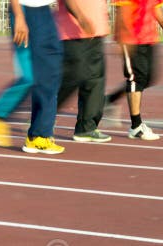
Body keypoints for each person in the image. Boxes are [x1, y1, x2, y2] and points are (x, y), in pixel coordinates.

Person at [0, 0, 65, 154]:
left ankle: (40, 135)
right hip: (24, 10)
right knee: (30, 76)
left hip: (44, 11)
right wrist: (19, 16)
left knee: (50, 73)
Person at [103, 0, 163, 141]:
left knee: (149, 78)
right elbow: (121, 11)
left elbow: (156, 7)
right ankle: (136, 126)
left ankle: (109, 100)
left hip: (149, 38)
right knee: (136, 78)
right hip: (131, 39)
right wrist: (123, 38)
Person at [54, 0, 112, 143]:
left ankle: (86, 128)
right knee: (72, 76)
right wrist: (80, 17)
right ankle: (42, 116)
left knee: (95, 81)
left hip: (96, 30)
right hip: (72, 31)